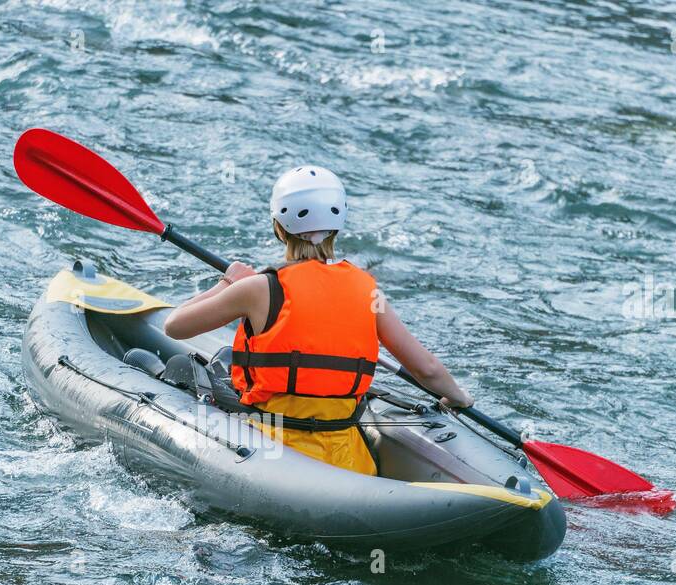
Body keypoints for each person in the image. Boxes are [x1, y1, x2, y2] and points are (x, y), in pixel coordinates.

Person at [163, 165, 473, 476]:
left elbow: (175, 325)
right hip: (346, 456)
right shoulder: (368, 290)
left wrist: (228, 282)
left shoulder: (259, 288)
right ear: (336, 227)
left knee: (177, 365)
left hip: (273, 449)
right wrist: (458, 397)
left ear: (279, 228)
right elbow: (427, 369)